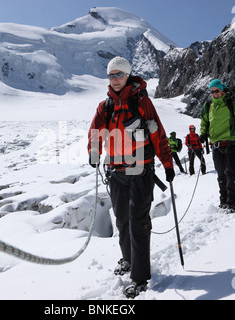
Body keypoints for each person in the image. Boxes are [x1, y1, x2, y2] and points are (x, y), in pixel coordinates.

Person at [87, 56, 174, 298]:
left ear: (127, 75)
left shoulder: (142, 102)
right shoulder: (105, 106)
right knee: (122, 221)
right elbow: (96, 132)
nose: (114, 80)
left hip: (141, 171)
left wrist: (167, 162)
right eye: (111, 76)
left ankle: (140, 277)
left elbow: (158, 133)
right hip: (116, 173)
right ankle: (127, 259)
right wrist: (94, 151)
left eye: (119, 75)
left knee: (138, 222)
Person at [200, 79, 235, 213]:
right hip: (216, 146)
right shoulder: (208, 106)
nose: (214, 94)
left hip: (231, 143)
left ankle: (232, 202)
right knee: (221, 174)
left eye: (216, 91)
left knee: (231, 172)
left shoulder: (232, 104)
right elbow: (204, 123)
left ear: (222, 90)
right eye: (212, 92)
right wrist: (202, 134)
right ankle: (223, 201)